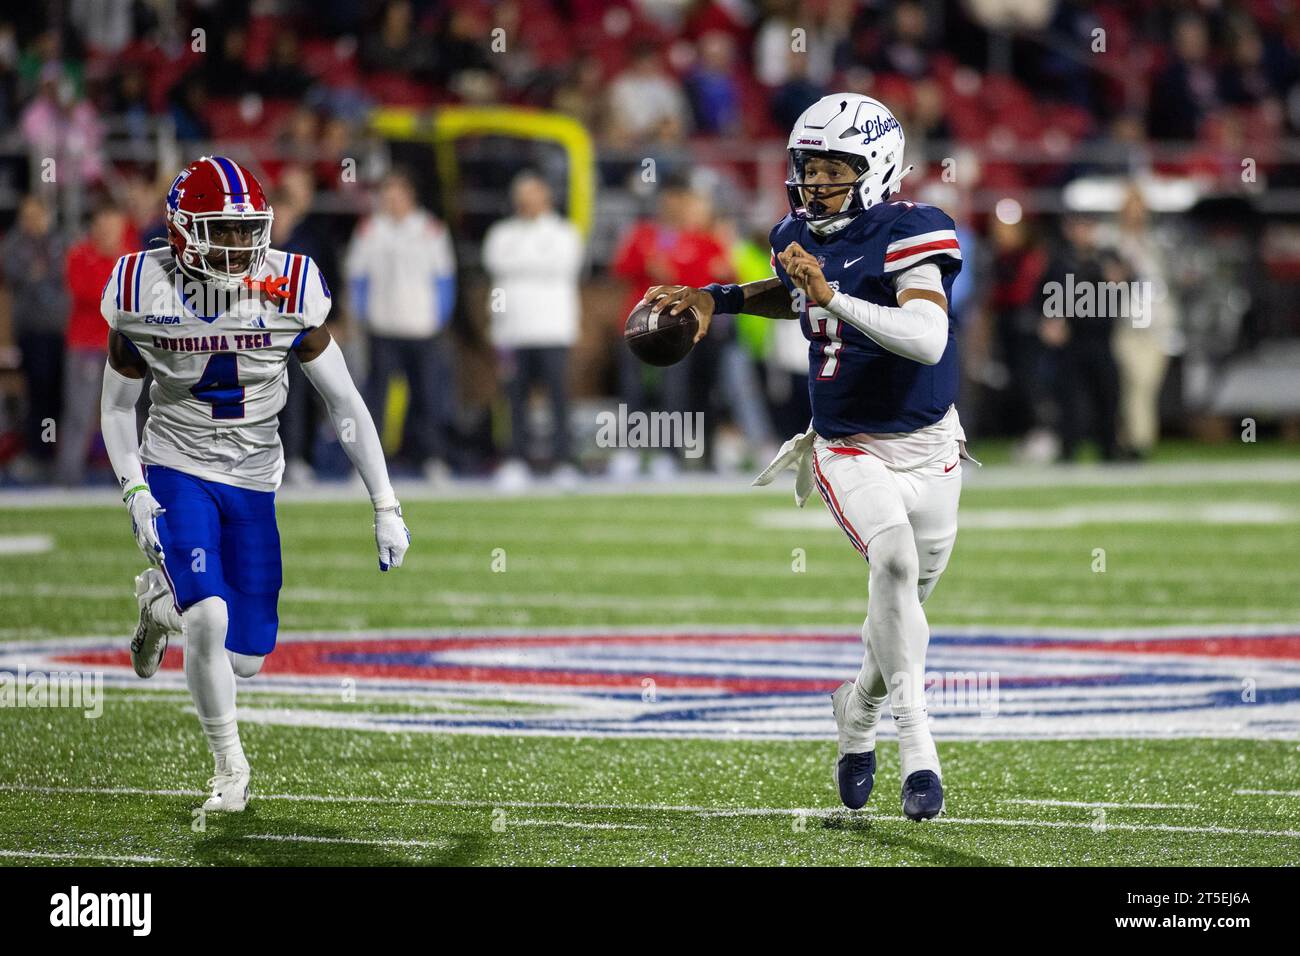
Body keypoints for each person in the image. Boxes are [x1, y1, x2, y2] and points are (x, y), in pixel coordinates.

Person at [641, 94, 967, 821]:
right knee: (894, 565)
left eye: (833, 170)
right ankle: (919, 749)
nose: (815, 184)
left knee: (902, 607)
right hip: (847, 442)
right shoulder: (794, 231)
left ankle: (855, 713)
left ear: (877, 169)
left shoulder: (914, 229)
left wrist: (836, 296)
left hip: (933, 448)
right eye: (809, 168)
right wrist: (713, 299)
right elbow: (796, 298)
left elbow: (926, 338)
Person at [100, 156, 410, 812]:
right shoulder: (138, 287)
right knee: (209, 619)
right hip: (178, 466)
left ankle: (160, 605)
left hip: (253, 478)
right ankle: (229, 768)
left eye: (249, 229)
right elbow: (117, 407)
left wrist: (385, 503)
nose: (242, 244)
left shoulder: (290, 286)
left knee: (245, 658)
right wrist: (135, 490)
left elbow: (346, 403)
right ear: (183, 230)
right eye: (224, 229)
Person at [345, 168, 457, 483]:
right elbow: (358, 278)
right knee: (375, 400)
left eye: (397, 193)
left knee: (427, 397)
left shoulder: (430, 230)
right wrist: (362, 316)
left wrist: (439, 317)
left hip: (422, 328)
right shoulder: (370, 230)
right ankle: (368, 466)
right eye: (387, 194)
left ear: (410, 196)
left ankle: (433, 458)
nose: (391, 200)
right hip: (383, 329)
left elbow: (444, 278)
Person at [482, 171, 584, 488]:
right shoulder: (501, 234)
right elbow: (496, 267)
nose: (526, 202)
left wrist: (519, 266)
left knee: (558, 398)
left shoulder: (565, 233)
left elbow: (562, 266)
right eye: (521, 195)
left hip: (553, 328)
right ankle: (515, 459)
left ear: (546, 197)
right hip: (512, 330)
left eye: (533, 194)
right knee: (514, 397)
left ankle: (564, 462)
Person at [59, 202, 131, 485]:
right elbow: (90, 293)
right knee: (80, 411)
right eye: (105, 225)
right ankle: (69, 476)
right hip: (86, 345)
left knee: (124, 410)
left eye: (115, 226)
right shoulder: (80, 255)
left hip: (122, 346)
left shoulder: (130, 255)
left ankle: (128, 476)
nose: (110, 232)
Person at [0, 194, 68, 481]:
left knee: (57, 395)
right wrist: (38, 273)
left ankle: (52, 454)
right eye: (27, 215)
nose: (32, 221)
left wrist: (37, 273)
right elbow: (14, 269)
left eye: (36, 214)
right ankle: (37, 453)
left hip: (60, 332)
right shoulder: (15, 243)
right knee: (37, 395)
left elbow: (61, 269)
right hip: (31, 332)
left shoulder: (57, 240)